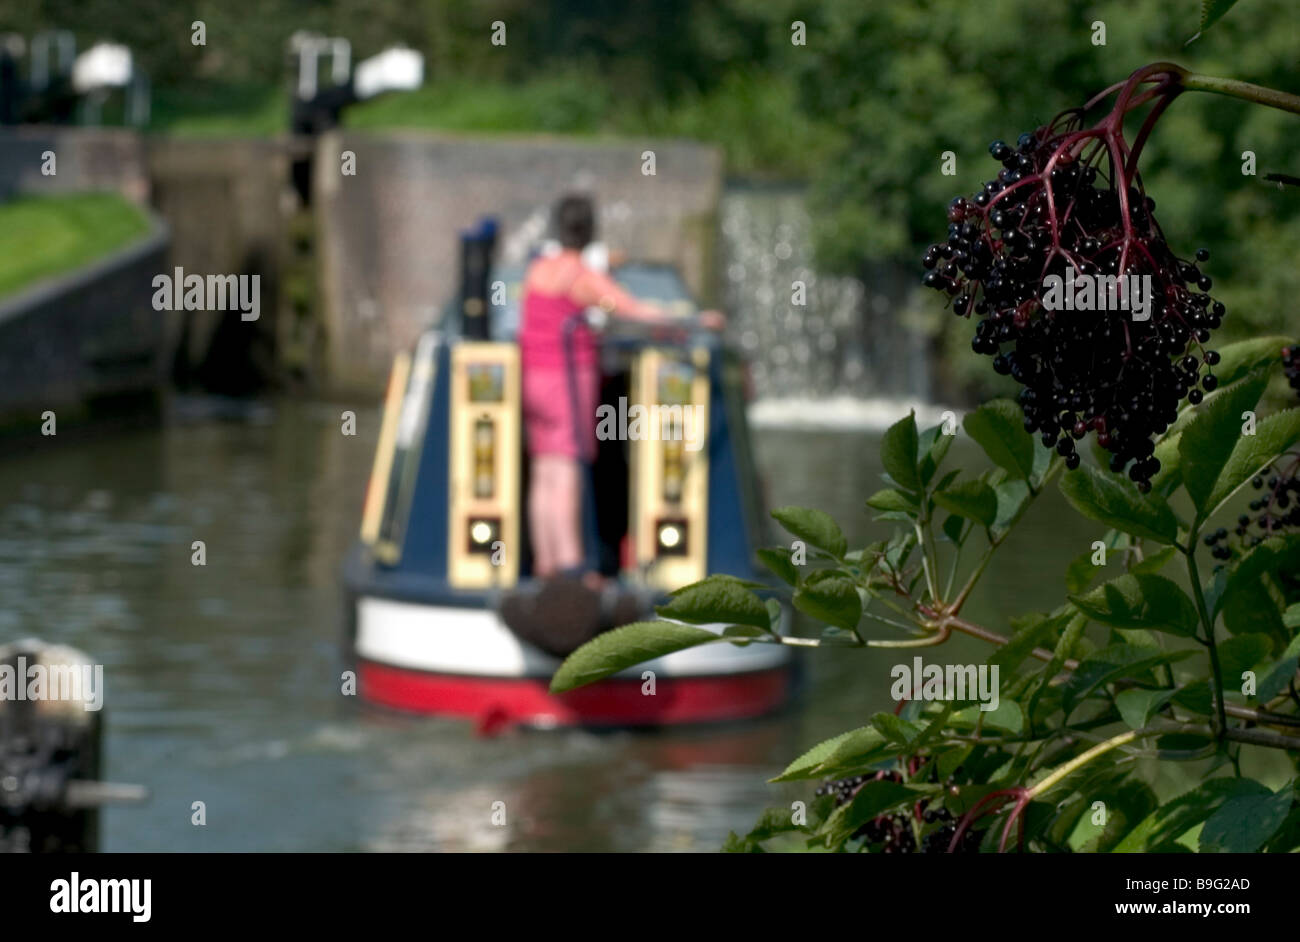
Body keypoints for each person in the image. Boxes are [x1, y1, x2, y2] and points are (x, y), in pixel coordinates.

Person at [518, 193, 721, 585]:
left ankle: (546, 562)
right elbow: (633, 311)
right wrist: (696, 322)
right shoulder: (580, 277)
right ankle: (574, 569)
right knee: (568, 469)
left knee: (544, 470)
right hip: (565, 381)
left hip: (533, 380)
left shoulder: (537, 270)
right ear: (591, 231)